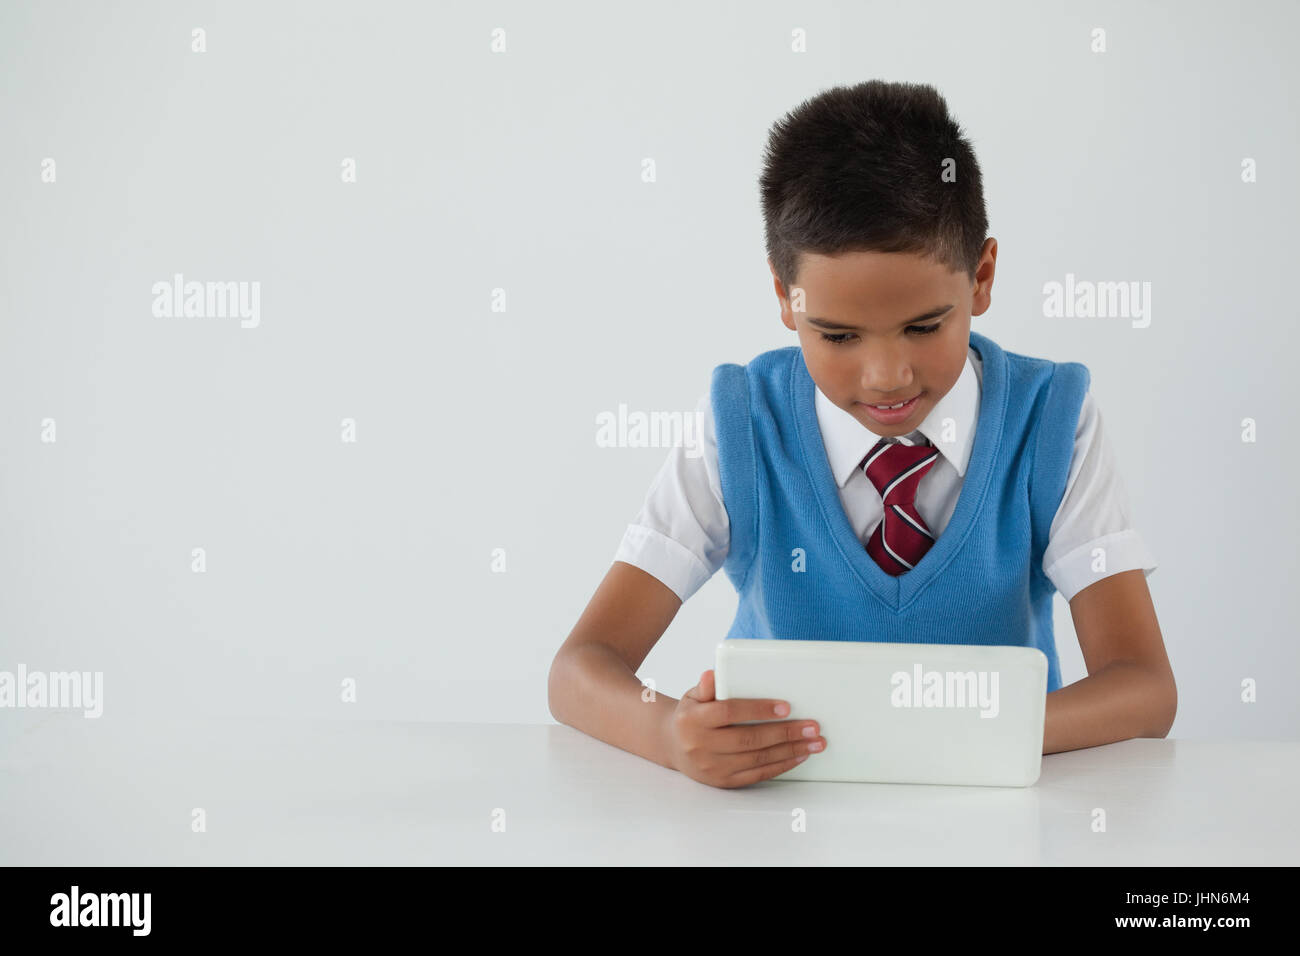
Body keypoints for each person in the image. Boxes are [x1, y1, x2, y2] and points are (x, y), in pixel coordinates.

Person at [549, 80, 1175, 790]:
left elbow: (1144, 688)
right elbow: (579, 669)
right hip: (780, 826)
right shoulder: (742, 424)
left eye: (924, 326)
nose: (886, 376)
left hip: (995, 826)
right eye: (839, 334)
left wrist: (956, 736)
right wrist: (667, 732)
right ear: (786, 300)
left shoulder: (1051, 418)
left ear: (983, 278)